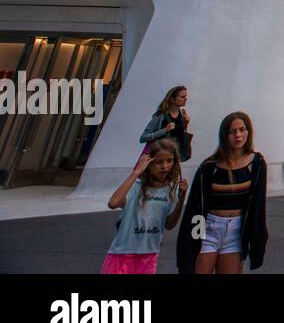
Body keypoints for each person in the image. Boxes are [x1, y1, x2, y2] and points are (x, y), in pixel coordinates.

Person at [177, 111, 268, 273]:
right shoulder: (209, 167)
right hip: (208, 230)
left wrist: (257, 241)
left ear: (249, 131)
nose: (238, 135)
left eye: (242, 129)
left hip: (235, 233)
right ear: (224, 135)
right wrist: (191, 243)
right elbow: (196, 207)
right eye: (232, 131)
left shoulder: (257, 164)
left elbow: (258, 206)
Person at [102, 138, 186, 274]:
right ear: (148, 163)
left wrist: (181, 198)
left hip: (149, 255)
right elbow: (113, 203)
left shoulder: (172, 191)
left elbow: (169, 225)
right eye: (158, 162)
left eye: (169, 161)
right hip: (122, 254)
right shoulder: (135, 188)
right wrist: (136, 173)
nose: (164, 166)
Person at [140, 85, 192, 162]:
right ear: (172, 99)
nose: (186, 99)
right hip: (159, 160)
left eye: (186, 96)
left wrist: (185, 123)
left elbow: (176, 133)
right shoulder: (160, 116)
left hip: (174, 159)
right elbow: (143, 138)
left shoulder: (182, 114)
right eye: (182, 97)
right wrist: (165, 130)